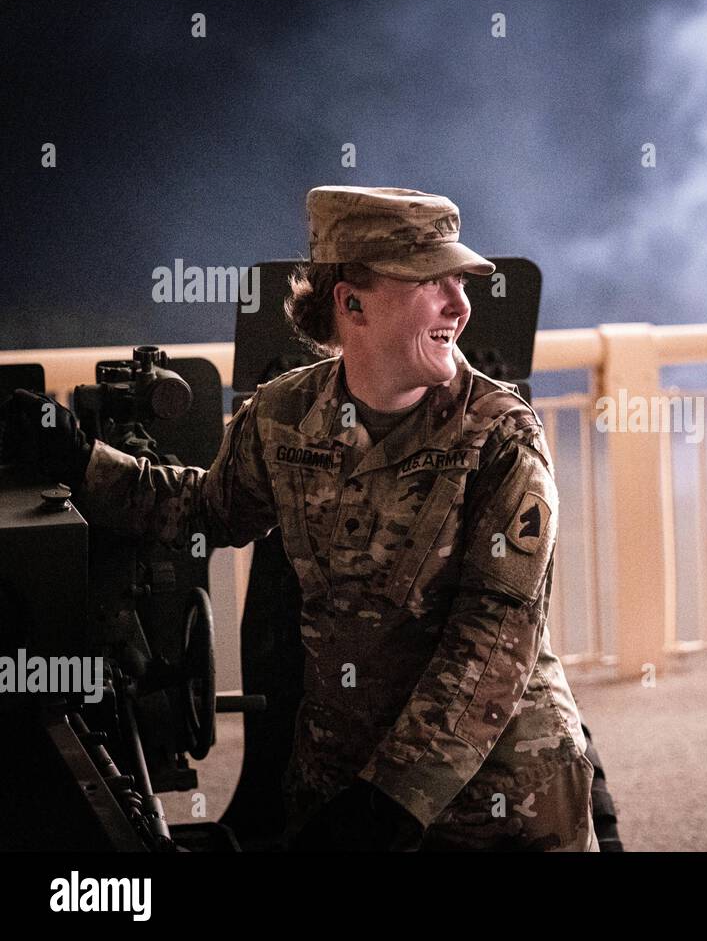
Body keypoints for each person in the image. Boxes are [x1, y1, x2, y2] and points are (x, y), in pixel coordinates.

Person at [1, 185, 598, 851]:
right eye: (431, 281)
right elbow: (208, 511)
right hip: (336, 787)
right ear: (351, 302)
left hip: (490, 804)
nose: (460, 304)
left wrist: (391, 802)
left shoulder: (501, 436)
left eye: (459, 280)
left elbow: (493, 641)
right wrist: (82, 460)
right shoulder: (283, 414)